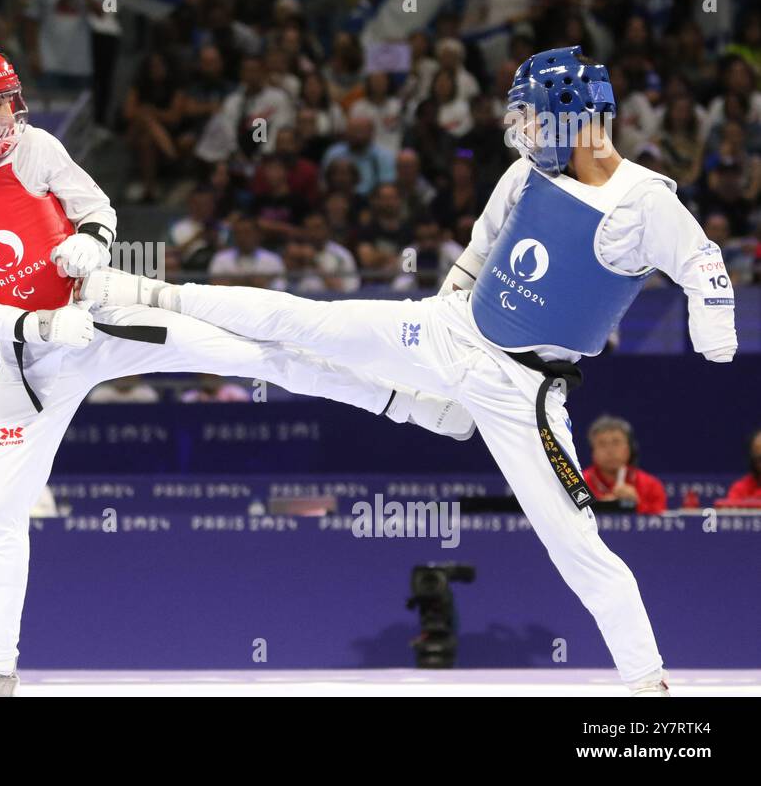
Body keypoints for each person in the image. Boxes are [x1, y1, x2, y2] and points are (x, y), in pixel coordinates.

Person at [83, 46, 738, 696]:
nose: (523, 131)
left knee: (575, 545)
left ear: (576, 117)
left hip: (523, 392)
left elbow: (704, 267)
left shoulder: (644, 202)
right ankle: (149, 295)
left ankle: (648, 686)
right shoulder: (524, 175)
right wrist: (436, 332)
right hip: (448, 333)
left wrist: (716, 337)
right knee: (304, 329)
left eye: (535, 118)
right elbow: (479, 252)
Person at [0, 43, 473, 697]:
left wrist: (91, 239)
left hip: (104, 304)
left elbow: (99, 207)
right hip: (30, 360)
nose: (9, 116)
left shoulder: (33, 145)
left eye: (9, 100)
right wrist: (41, 326)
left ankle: (406, 402)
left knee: (257, 356)